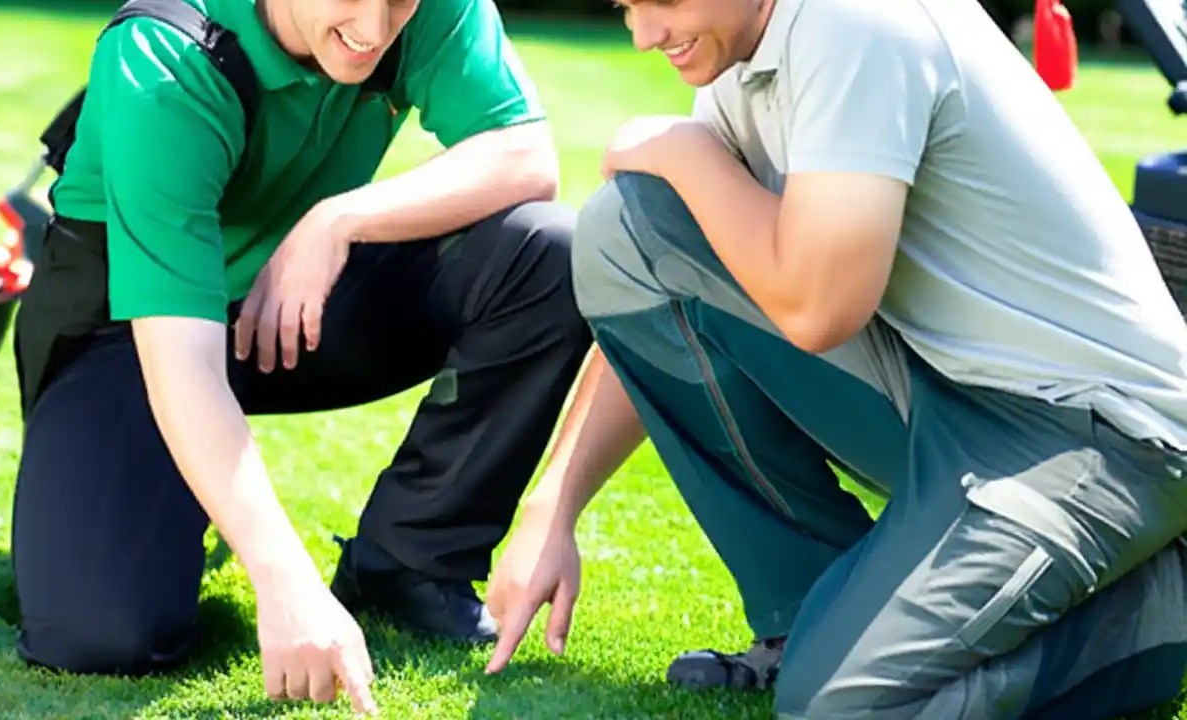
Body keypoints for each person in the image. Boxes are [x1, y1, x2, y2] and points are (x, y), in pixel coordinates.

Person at [483, 0, 1187, 717]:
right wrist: (554, 503)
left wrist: (683, 152)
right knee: (624, 229)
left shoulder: (860, 21)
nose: (644, 35)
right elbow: (671, 281)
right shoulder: (746, 48)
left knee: (845, 707)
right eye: (628, 5)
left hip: (1094, 434)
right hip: (944, 391)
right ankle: (811, 615)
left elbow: (820, 311)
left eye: (663, 1)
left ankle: (1148, 623)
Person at [9, 0, 592, 711]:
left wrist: (337, 220)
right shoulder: (160, 59)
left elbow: (524, 155)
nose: (376, 31)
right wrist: (284, 580)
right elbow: (183, 363)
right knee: (100, 637)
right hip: (131, 332)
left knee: (552, 253)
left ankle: (409, 563)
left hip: (292, 302)